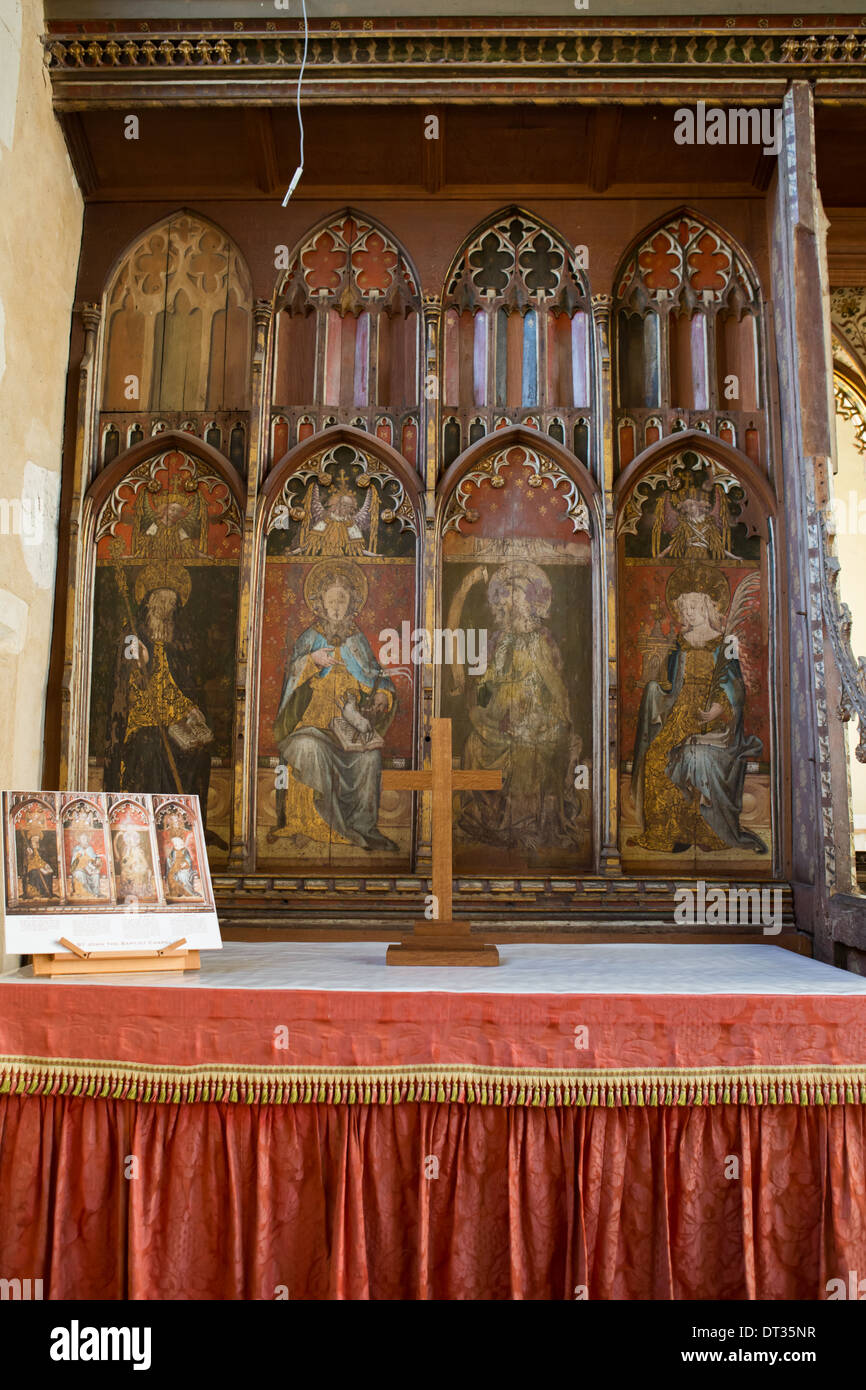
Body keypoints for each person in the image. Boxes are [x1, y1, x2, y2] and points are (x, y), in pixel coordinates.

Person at [631, 564, 766, 854]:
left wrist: (720, 707)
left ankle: (705, 832)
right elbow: (669, 684)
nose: (688, 613)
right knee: (656, 758)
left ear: (706, 608)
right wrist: (655, 691)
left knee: (695, 756)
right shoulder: (679, 642)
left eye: (694, 607)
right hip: (680, 713)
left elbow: (736, 686)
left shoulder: (725, 642)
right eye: (684, 608)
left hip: (713, 722)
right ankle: (667, 833)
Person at [270, 559, 397, 852]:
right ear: (321, 604)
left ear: (353, 604)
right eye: (332, 600)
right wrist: (311, 662)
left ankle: (362, 826)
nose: (337, 605)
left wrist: (382, 695)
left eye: (343, 600)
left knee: (370, 760)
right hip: (308, 726)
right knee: (308, 748)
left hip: (347, 729)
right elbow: (291, 676)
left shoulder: (357, 640)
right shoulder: (310, 638)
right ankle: (311, 824)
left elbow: (376, 675)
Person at [458, 562, 575, 852]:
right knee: (474, 744)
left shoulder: (542, 639)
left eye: (513, 594)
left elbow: (556, 687)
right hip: (498, 716)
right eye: (502, 596)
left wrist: (541, 718)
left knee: (526, 748)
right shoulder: (497, 639)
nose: (505, 601)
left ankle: (523, 828)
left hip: (537, 717)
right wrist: (478, 705)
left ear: (529, 599)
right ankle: (486, 820)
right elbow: (486, 682)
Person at [105, 562, 220, 844]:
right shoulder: (133, 633)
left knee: (199, 751)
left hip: (170, 714)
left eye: (172, 603)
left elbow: (174, 685)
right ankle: (147, 825)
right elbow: (128, 686)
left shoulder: (173, 643)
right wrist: (139, 662)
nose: (167, 609)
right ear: (150, 601)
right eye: (162, 601)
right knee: (151, 746)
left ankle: (188, 824)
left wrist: (189, 709)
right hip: (142, 718)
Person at [69, 832, 102, 897]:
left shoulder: (90, 848)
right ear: (80, 840)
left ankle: (95, 892)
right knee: (80, 874)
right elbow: (73, 863)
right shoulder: (77, 849)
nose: (85, 840)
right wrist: (78, 857)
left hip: (89, 869)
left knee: (96, 875)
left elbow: (94, 859)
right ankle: (86, 893)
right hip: (79, 869)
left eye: (86, 839)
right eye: (83, 839)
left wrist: (96, 861)